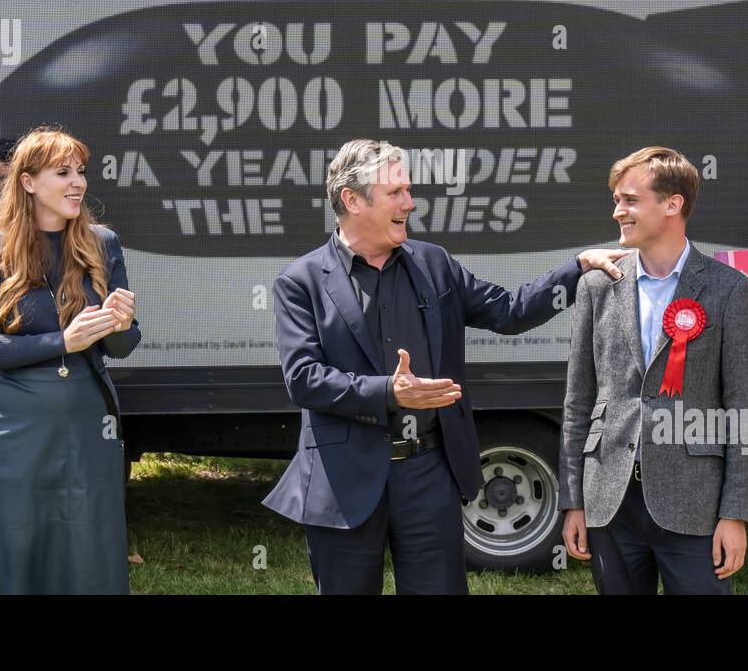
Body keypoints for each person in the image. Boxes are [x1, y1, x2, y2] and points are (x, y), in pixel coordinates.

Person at [263, 138, 627, 595]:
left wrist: (577, 268)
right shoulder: (300, 281)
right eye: (395, 193)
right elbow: (303, 379)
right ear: (352, 200)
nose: (409, 203)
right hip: (343, 478)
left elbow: (508, 311)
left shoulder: (433, 264)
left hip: (428, 473)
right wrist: (390, 392)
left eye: (408, 190)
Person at [558, 147, 748, 594]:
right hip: (610, 502)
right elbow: (578, 399)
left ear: (673, 204)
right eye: (616, 200)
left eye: (630, 200)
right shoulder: (597, 286)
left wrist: (736, 512)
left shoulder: (730, 289)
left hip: (694, 503)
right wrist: (573, 499)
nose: (618, 212)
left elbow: (746, 405)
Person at [0, 127, 139, 594]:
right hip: (15, 421)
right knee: (11, 535)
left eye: (80, 171)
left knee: (87, 538)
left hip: (87, 417)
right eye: (63, 173)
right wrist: (64, 340)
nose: (78, 182)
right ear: (27, 182)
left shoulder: (103, 243)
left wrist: (120, 326)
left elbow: (121, 347)